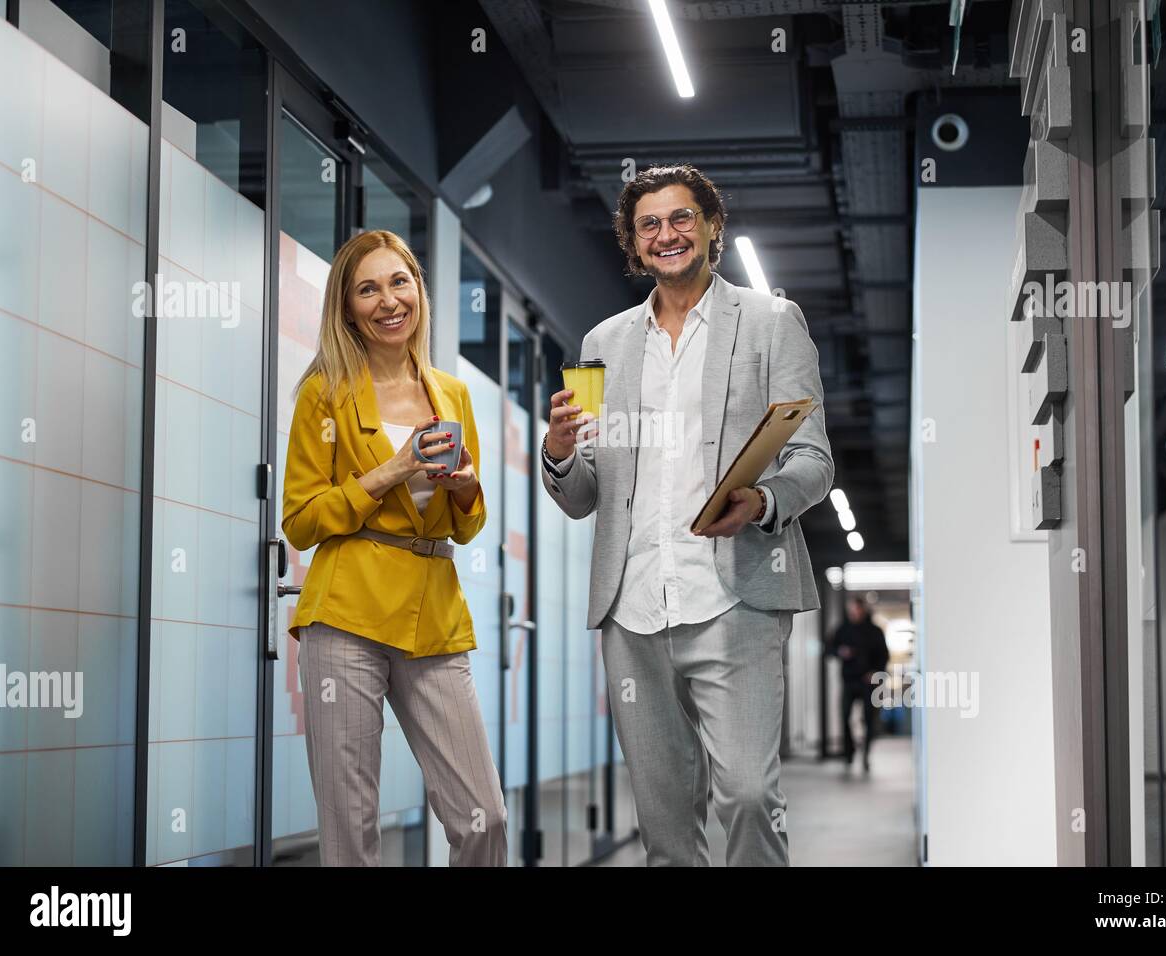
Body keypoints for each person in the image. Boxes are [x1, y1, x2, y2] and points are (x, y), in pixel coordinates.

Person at [540, 164, 834, 866]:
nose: (666, 234)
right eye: (649, 225)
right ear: (634, 245)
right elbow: (586, 495)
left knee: (748, 794)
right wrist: (556, 452)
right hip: (633, 608)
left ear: (711, 227)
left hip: (734, 599)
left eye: (680, 219)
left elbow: (813, 461)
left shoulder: (770, 322)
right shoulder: (602, 344)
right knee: (665, 823)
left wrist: (762, 501)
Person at [282, 229, 506, 867]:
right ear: (347, 307)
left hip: (433, 614)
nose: (388, 301)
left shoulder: (451, 394)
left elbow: (466, 525)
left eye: (399, 282)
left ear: (419, 291)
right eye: (367, 288)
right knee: (351, 827)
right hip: (347, 614)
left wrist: (465, 489)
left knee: (482, 815)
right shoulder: (325, 392)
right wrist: (390, 470)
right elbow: (300, 520)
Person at [826, 596, 890, 772]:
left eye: (857, 610)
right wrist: (840, 652)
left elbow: (884, 656)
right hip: (849, 681)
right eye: (851, 611)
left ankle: (866, 753)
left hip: (868, 682)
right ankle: (849, 752)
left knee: (869, 719)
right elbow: (829, 649)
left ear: (863, 610)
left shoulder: (875, 631)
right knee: (845, 715)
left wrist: (875, 672)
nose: (854, 613)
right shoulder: (843, 630)